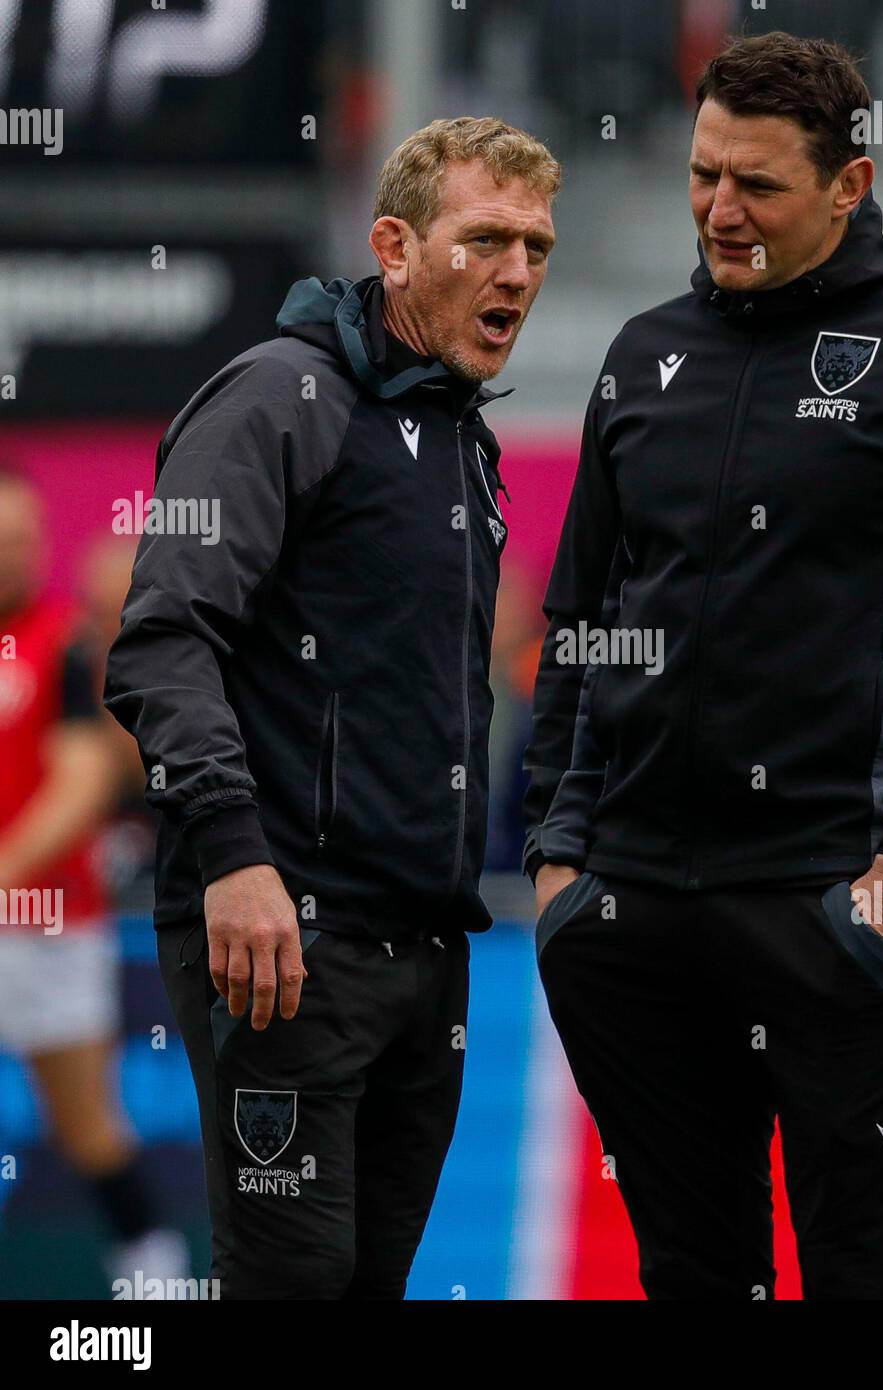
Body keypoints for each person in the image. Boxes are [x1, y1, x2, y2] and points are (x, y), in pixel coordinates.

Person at [523, 33, 883, 1299]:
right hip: (636, 907)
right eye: (704, 174)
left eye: (756, 184)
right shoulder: (641, 352)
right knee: (694, 1273)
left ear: (849, 185)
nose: (720, 209)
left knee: (869, 1278)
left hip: (839, 901)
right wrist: (559, 851)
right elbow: (579, 614)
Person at [105, 117, 559, 1300]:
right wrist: (234, 859)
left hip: (424, 952)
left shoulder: (462, 436)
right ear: (395, 247)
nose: (515, 271)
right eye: (486, 239)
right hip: (282, 939)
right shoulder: (277, 396)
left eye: (535, 246)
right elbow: (161, 644)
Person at [0, 471, 188, 1291]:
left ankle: (155, 1273)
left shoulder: (63, 645)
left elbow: (80, 781)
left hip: (49, 928)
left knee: (85, 1125)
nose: (18, 556)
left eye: (26, 541)